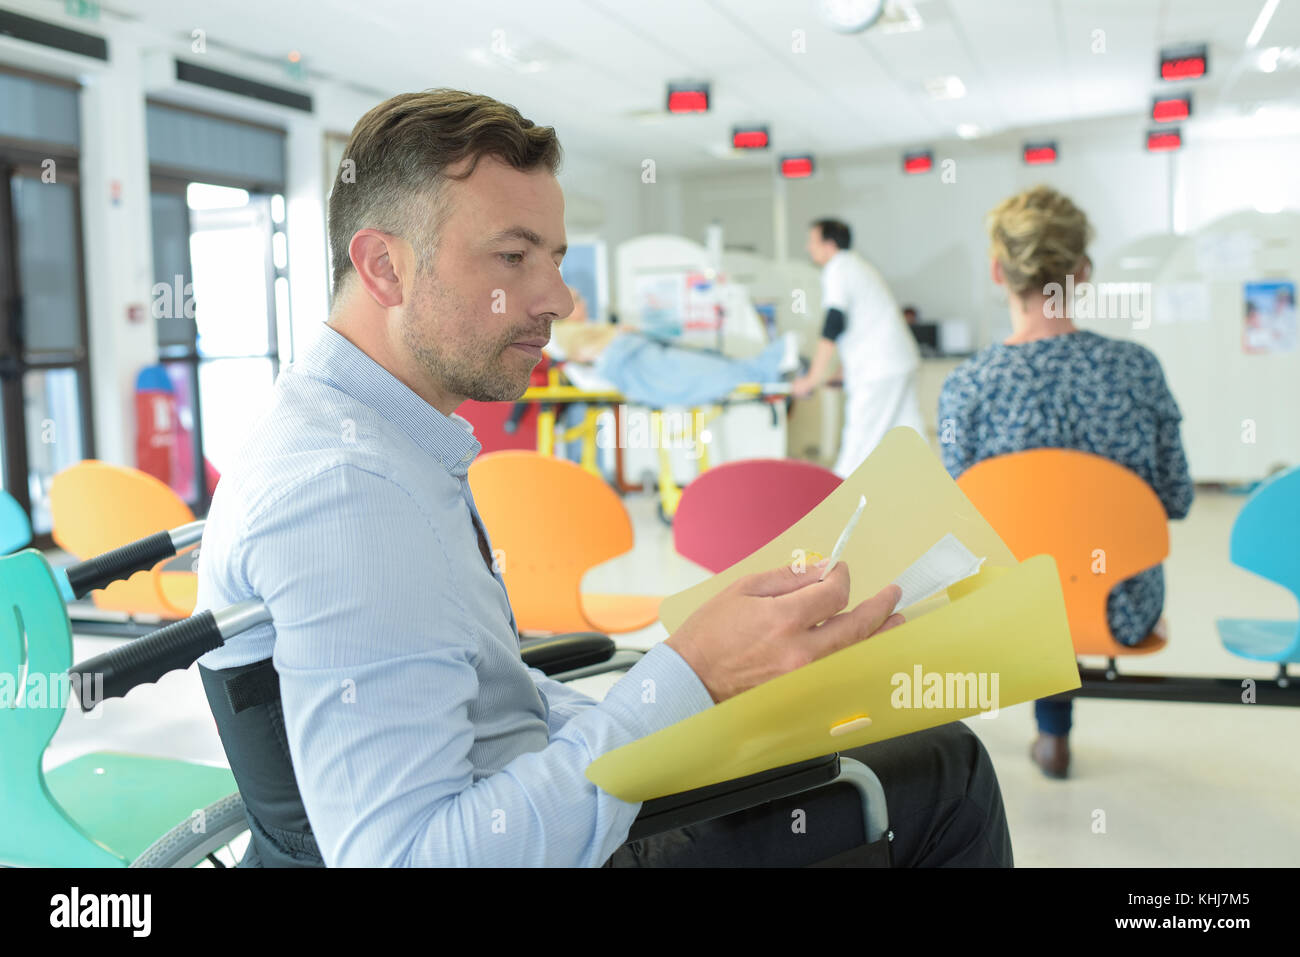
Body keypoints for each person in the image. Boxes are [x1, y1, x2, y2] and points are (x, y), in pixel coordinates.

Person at [195, 87, 1013, 867]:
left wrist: (702, 703)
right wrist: (690, 675)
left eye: (550, 257)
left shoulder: (372, 442)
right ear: (384, 268)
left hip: (536, 797)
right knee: (948, 769)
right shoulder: (347, 494)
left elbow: (492, 705)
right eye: (514, 256)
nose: (558, 297)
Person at [937, 185, 1194, 778]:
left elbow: (960, 521)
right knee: (1068, 566)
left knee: (1034, 572)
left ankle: (1051, 730)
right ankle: (1055, 732)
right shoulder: (1137, 369)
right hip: (1120, 606)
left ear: (998, 270)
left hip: (1009, 614)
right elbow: (1176, 500)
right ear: (1082, 271)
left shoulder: (968, 385)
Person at [793, 219, 926, 478]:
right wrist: (839, 374)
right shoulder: (857, 266)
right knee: (911, 437)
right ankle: (931, 499)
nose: (808, 248)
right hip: (898, 362)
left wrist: (811, 379)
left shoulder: (838, 269)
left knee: (859, 443)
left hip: (878, 370)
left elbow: (834, 323)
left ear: (829, 245)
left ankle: (838, 507)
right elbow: (861, 326)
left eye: (812, 242)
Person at [548, 289, 802, 407]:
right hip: (637, 363)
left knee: (708, 363)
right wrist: (619, 333)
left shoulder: (581, 328)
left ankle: (771, 365)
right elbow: (585, 354)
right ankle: (771, 366)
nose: (585, 304)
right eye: (578, 300)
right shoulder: (564, 333)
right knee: (705, 372)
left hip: (642, 355)